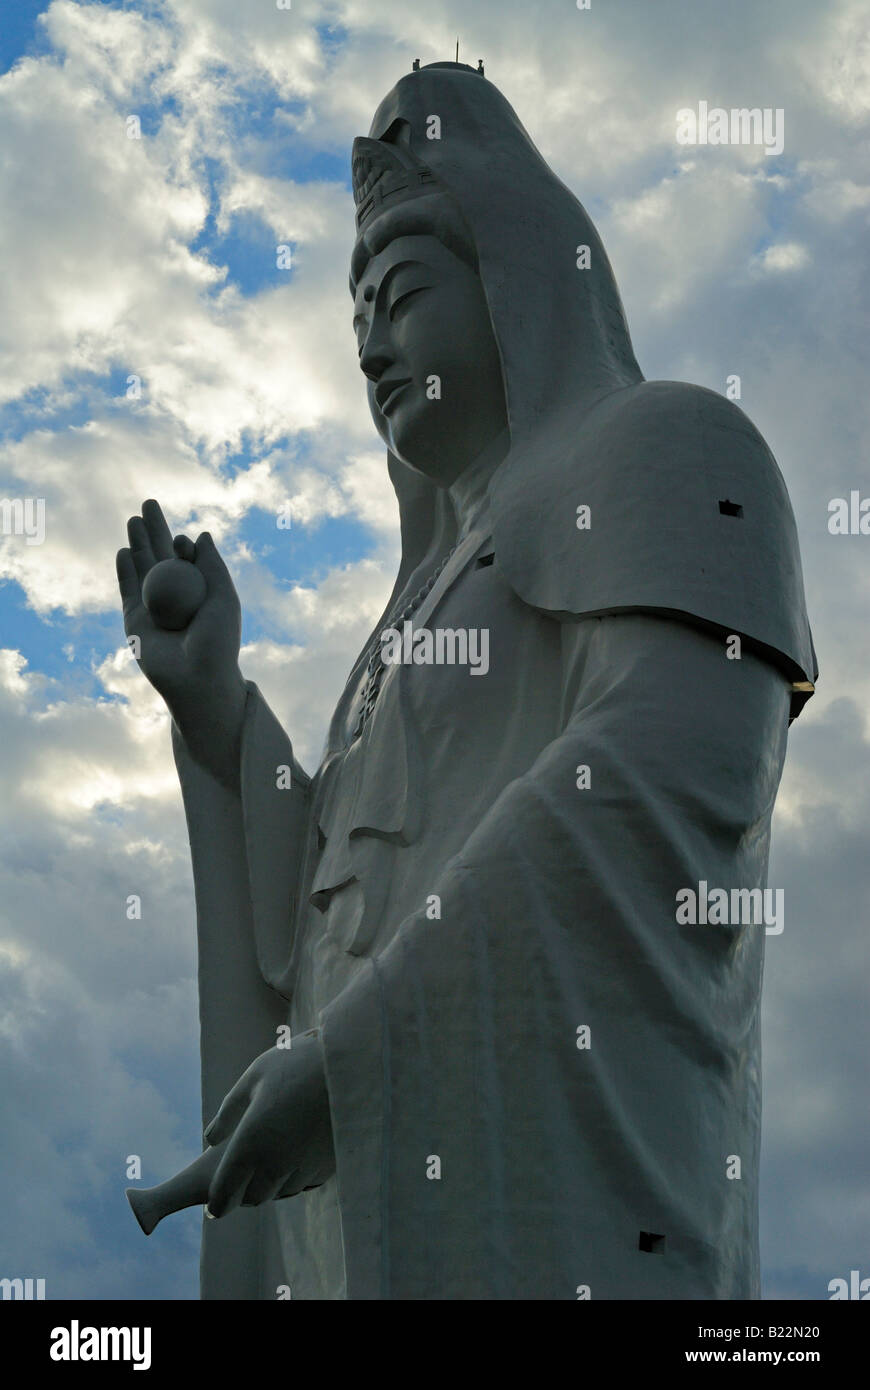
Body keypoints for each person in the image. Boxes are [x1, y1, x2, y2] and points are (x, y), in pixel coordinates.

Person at [117, 62, 817, 1299]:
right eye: (356, 320)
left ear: (517, 280)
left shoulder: (673, 451)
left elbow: (660, 778)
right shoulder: (406, 624)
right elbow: (328, 912)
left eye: (402, 295)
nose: (375, 347)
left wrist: (362, 1061)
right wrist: (222, 718)